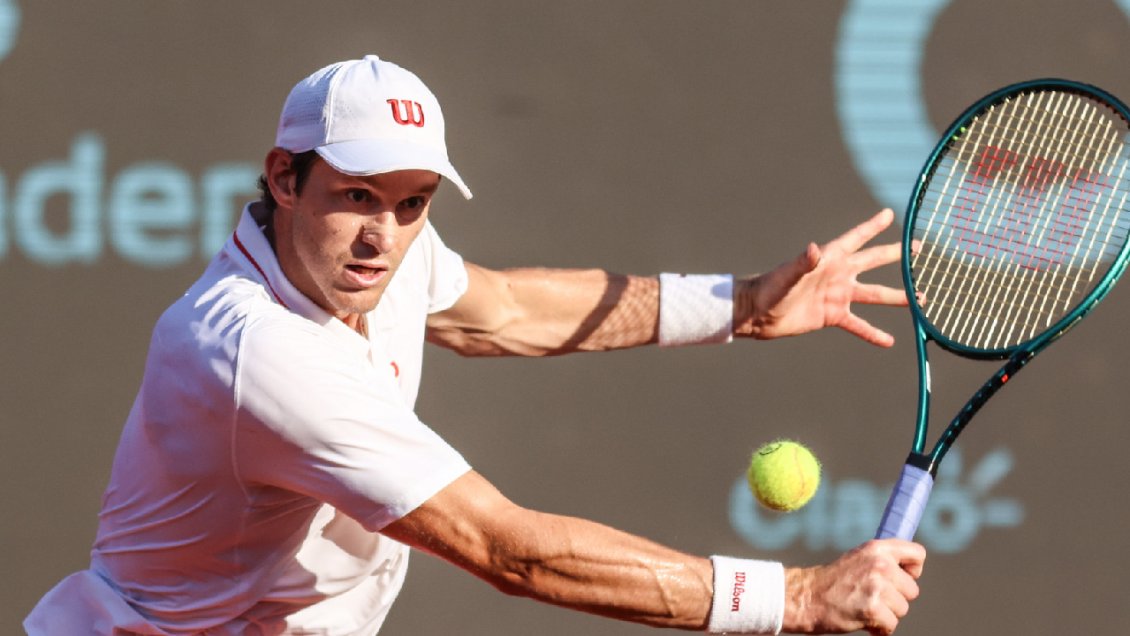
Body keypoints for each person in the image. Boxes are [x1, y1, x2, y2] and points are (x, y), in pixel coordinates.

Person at [25, 54, 925, 636]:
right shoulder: (261, 354)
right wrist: (796, 599)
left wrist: (742, 305)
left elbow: (503, 312)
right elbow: (510, 551)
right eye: (357, 195)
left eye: (412, 204)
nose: (383, 236)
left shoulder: (370, 255)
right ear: (283, 178)